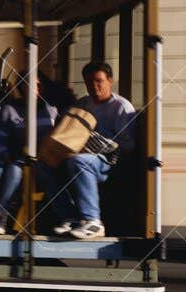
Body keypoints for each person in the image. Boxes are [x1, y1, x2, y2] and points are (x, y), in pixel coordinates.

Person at [47, 61, 136, 239]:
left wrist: (105, 145)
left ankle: (93, 221)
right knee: (43, 165)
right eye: (89, 82)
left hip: (108, 162)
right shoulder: (82, 104)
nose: (94, 86)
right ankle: (70, 216)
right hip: (78, 153)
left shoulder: (122, 107)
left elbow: (129, 145)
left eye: (98, 81)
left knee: (79, 161)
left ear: (110, 80)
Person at [0, 73, 57, 234]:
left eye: (34, 85)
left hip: (39, 160)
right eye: (26, 85)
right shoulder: (10, 110)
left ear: (39, 87)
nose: (31, 88)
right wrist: (6, 154)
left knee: (16, 171)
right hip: (14, 158)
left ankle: (1, 216)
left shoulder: (49, 111)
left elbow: (52, 139)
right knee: (1, 168)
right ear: (21, 88)